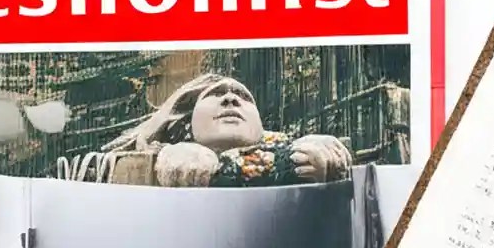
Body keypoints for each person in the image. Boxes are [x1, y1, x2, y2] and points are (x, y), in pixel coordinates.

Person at [96, 72, 354, 188]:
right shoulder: (131, 163)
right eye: (215, 94)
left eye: (244, 96)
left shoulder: (297, 152)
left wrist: (329, 158)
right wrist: (163, 161)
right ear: (187, 122)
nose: (231, 99)